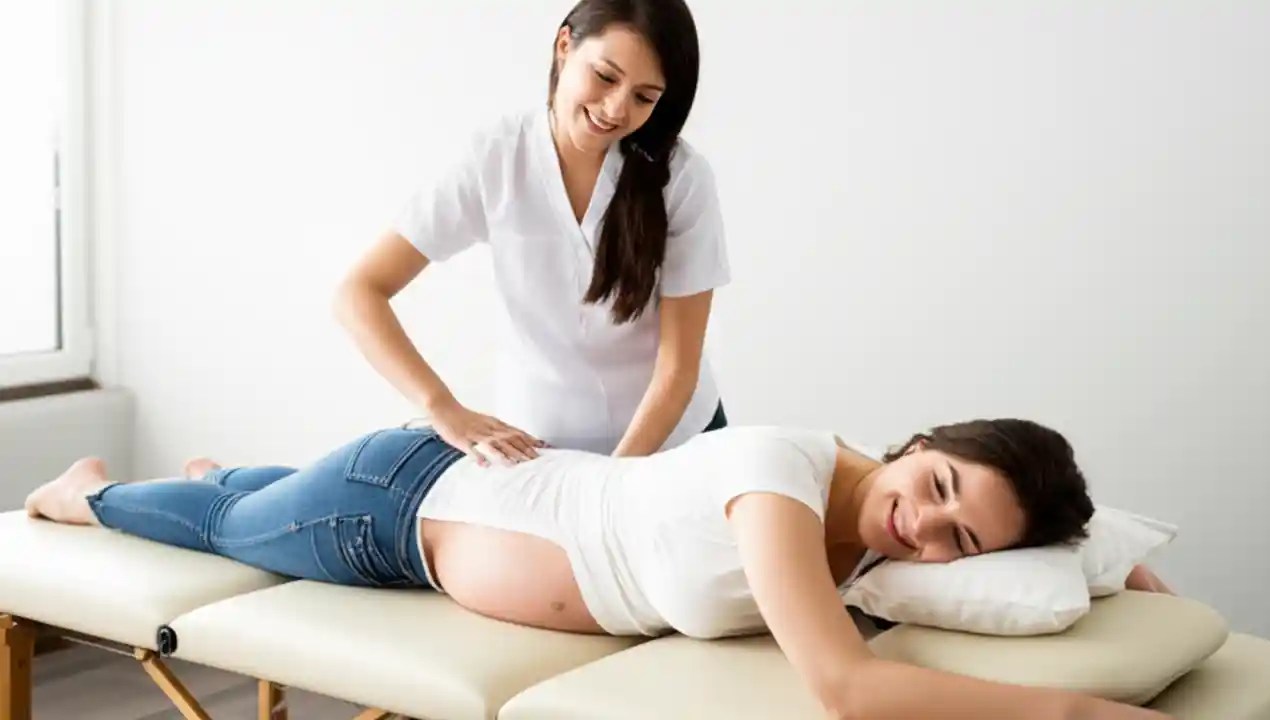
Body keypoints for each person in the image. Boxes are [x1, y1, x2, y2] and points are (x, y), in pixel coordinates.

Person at [26, 418, 1173, 719]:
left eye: (960, 541)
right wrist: (1074, 714)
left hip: (421, 513)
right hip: (392, 514)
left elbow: (1091, 558)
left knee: (251, 500)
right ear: (925, 441)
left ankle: (223, 472)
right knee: (226, 529)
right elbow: (846, 691)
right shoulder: (778, 477)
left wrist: (1138, 590)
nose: (923, 531)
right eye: (935, 490)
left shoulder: (869, 544)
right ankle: (88, 490)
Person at [335, 0, 730, 465]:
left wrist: (610, 485)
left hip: (672, 443)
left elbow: (678, 370)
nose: (615, 109)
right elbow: (359, 291)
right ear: (565, 45)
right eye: (605, 76)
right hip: (541, 450)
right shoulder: (497, 160)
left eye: (644, 97)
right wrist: (441, 407)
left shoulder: (681, 178)